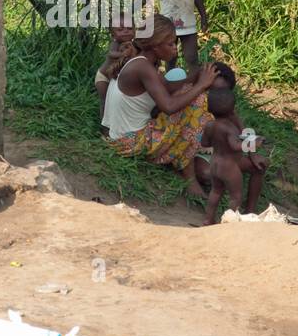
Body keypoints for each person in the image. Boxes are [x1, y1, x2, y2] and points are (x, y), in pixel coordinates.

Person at [102, 15, 219, 199]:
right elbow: (169, 106)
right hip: (129, 142)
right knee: (197, 103)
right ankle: (189, 178)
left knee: (188, 92)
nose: (175, 48)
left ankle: (184, 159)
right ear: (156, 46)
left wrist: (193, 79)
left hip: (121, 136)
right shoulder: (142, 67)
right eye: (171, 44)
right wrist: (201, 85)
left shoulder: (141, 61)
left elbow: (165, 85)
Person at [203, 87, 265, 225]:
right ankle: (230, 223)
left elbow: (204, 142)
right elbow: (235, 146)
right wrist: (254, 143)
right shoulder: (229, 128)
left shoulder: (209, 125)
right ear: (232, 110)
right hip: (228, 165)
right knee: (235, 196)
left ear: (209, 109)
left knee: (215, 192)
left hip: (215, 163)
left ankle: (208, 219)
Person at [94, 13, 137, 110]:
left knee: (114, 101)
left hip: (116, 78)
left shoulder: (134, 44)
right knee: (105, 101)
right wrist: (123, 54)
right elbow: (111, 54)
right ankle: (104, 124)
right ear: (113, 34)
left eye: (129, 28)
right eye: (120, 30)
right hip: (104, 78)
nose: (126, 31)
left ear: (135, 30)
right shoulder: (116, 44)